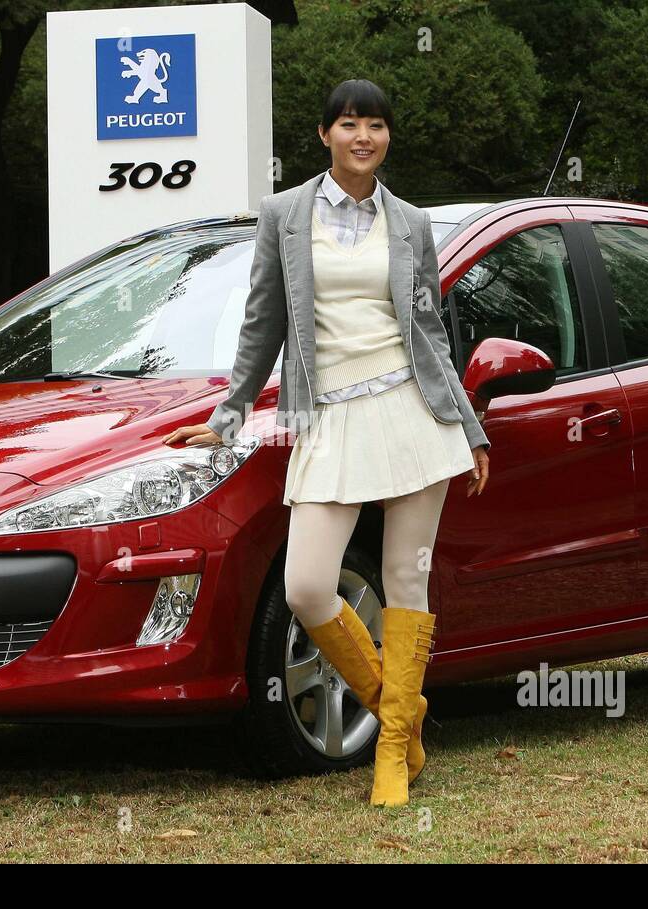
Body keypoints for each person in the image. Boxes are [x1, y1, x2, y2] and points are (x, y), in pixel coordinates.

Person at [164, 79, 490, 806]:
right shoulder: (284, 215)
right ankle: (400, 715)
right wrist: (230, 412)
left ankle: (391, 757)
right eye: (349, 124)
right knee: (307, 585)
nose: (363, 137)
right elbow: (263, 323)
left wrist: (469, 426)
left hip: (414, 412)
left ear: (387, 137)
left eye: (375, 125)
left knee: (407, 580)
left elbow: (431, 332)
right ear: (323, 135)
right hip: (327, 419)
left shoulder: (409, 222)